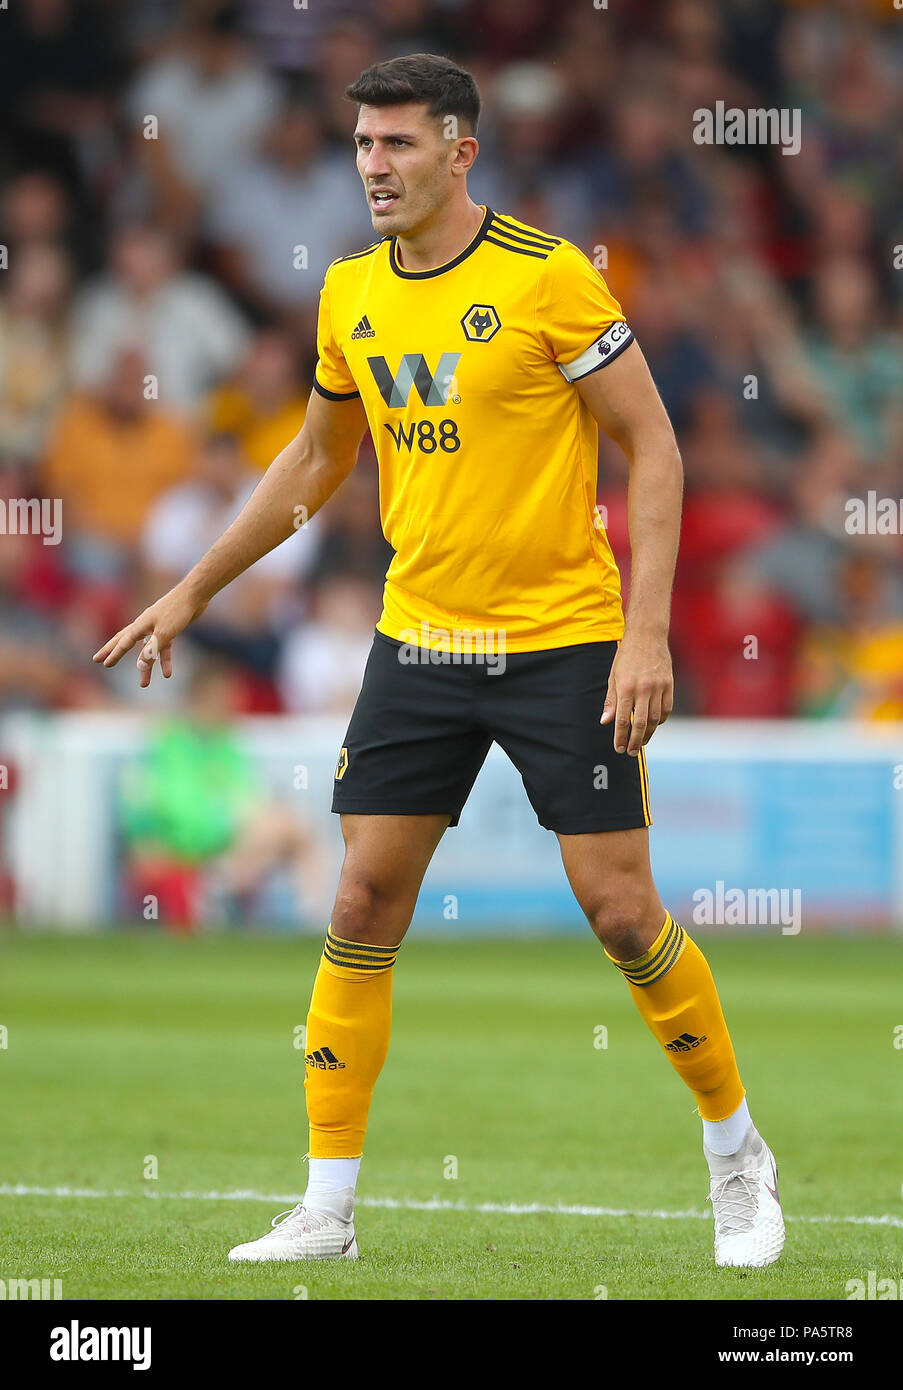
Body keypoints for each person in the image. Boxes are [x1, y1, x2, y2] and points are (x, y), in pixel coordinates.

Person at [93, 54, 784, 1271]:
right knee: (360, 900)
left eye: (398, 145)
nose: (374, 167)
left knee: (622, 910)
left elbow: (656, 449)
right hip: (420, 637)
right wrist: (193, 588)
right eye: (364, 145)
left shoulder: (548, 277)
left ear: (462, 152)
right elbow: (314, 462)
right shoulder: (351, 294)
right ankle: (327, 1207)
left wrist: (646, 633)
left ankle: (738, 1160)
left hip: (566, 639)